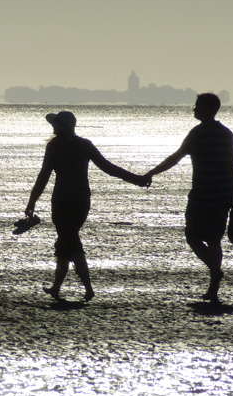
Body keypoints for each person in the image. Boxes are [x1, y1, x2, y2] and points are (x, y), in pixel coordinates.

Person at [25, 111, 147, 302]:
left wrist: (32, 201)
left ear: (59, 127)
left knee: (70, 242)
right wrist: (136, 179)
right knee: (66, 241)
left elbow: (44, 175)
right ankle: (56, 288)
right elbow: (108, 168)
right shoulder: (84, 145)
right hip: (82, 201)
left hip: (62, 200)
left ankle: (88, 289)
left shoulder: (55, 146)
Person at [143, 93, 233, 303]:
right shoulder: (227, 134)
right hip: (223, 195)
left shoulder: (197, 134)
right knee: (214, 240)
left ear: (206, 109)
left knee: (192, 236)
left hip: (202, 196)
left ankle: (215, 271)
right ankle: (213, 287)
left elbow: (175, 158)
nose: (193, 109)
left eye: (197, 106)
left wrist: (151, 173)